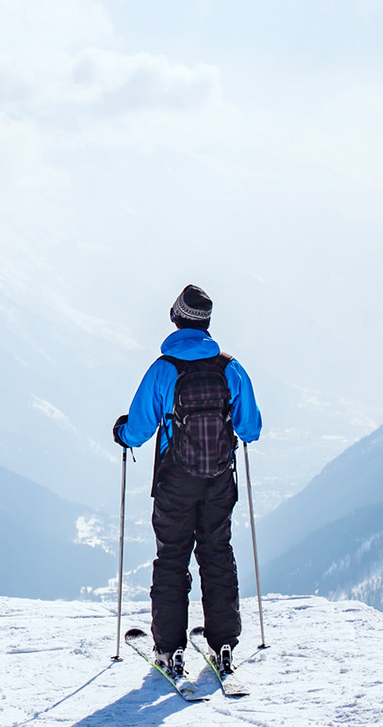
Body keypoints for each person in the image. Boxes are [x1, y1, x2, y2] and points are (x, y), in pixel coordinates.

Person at [112, 284, 260, 680]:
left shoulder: (164, 369)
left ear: (177, 320)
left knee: (172, 559)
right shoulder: (230, 368)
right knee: (217, 555)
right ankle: (224, 643)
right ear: (207, 324)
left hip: (175, 482)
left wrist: (122, 433)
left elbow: (140, 428)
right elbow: (251, 428)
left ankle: (170, 650)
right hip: (218, 480)